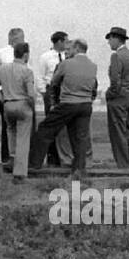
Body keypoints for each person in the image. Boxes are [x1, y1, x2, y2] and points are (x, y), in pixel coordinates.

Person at [29, 37, 97, 180]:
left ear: (77, 48)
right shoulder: (93, 65)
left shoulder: (66, 64)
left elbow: (54, 83)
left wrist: (53, 102)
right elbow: (94, 87)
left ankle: (34, 164)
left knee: (45, 129)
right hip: (85, 105)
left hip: (67, 103)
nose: (68, 51)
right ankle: (79, 169)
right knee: (80, 138)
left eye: (70, 49)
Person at [0, 41, 36, 179]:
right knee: (23, 139)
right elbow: (30, 93)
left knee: (11, 134)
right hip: (22, 103)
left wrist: (3, 99)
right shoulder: (27, 71)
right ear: (26, 55)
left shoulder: (2, 69)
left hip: (8, 104)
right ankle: (20, 171)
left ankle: (11, 161)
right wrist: (31, 104)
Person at [104, 26, 129, 168]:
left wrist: (109, 94)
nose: (109, 42)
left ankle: (123, 164)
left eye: (110, 39)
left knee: (117, 132)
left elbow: (115, 79)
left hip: (119, 97)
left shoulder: (116, 56)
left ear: (115, 39)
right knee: (127, 128)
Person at [35, 32, 74, 167]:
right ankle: (52, 158)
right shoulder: (46, 57)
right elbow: (40, 76)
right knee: (51, 126)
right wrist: (45, 93)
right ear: (59, 42)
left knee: (66, 128)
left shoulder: (68, 56)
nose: (68, 44)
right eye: (66, 41)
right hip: (51, 93)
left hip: (66, 93)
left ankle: (67, 157)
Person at [0, 28, 25, 163]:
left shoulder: (26, 52)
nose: (23, 41)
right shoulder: (1, 53)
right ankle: (7, 157)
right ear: (12, 39)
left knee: (23, 126)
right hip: (6, 93)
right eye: (20, 38)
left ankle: (22, 157)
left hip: (22, 93)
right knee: (7, 126)